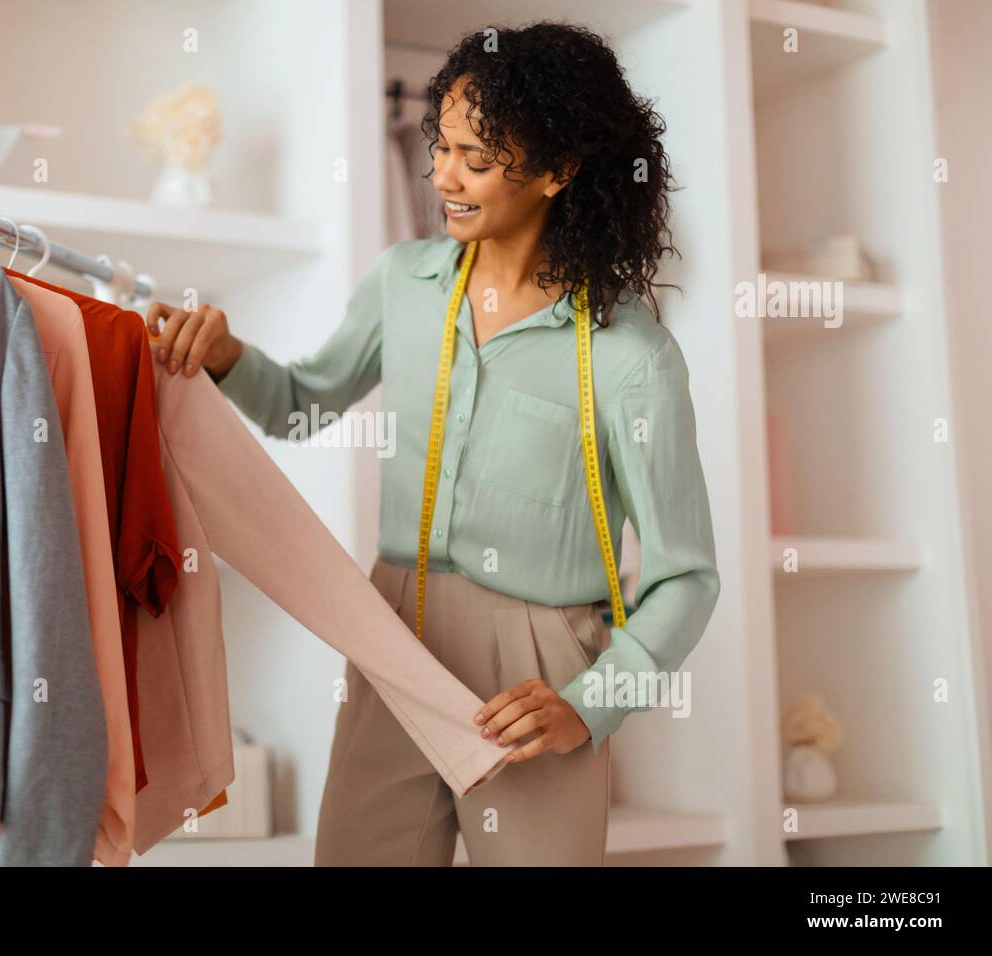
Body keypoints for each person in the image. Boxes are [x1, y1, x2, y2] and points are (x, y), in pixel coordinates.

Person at [143, 21, 720, 866]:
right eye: (441, 147)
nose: (444, 176)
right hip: (395, 632)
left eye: (476, 159)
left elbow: (685, 579)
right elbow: (301, 407)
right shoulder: (402, 284)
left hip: (541, 667)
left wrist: (591, 703)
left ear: (559, 172)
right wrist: (228, 355)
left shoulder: (630, 357)